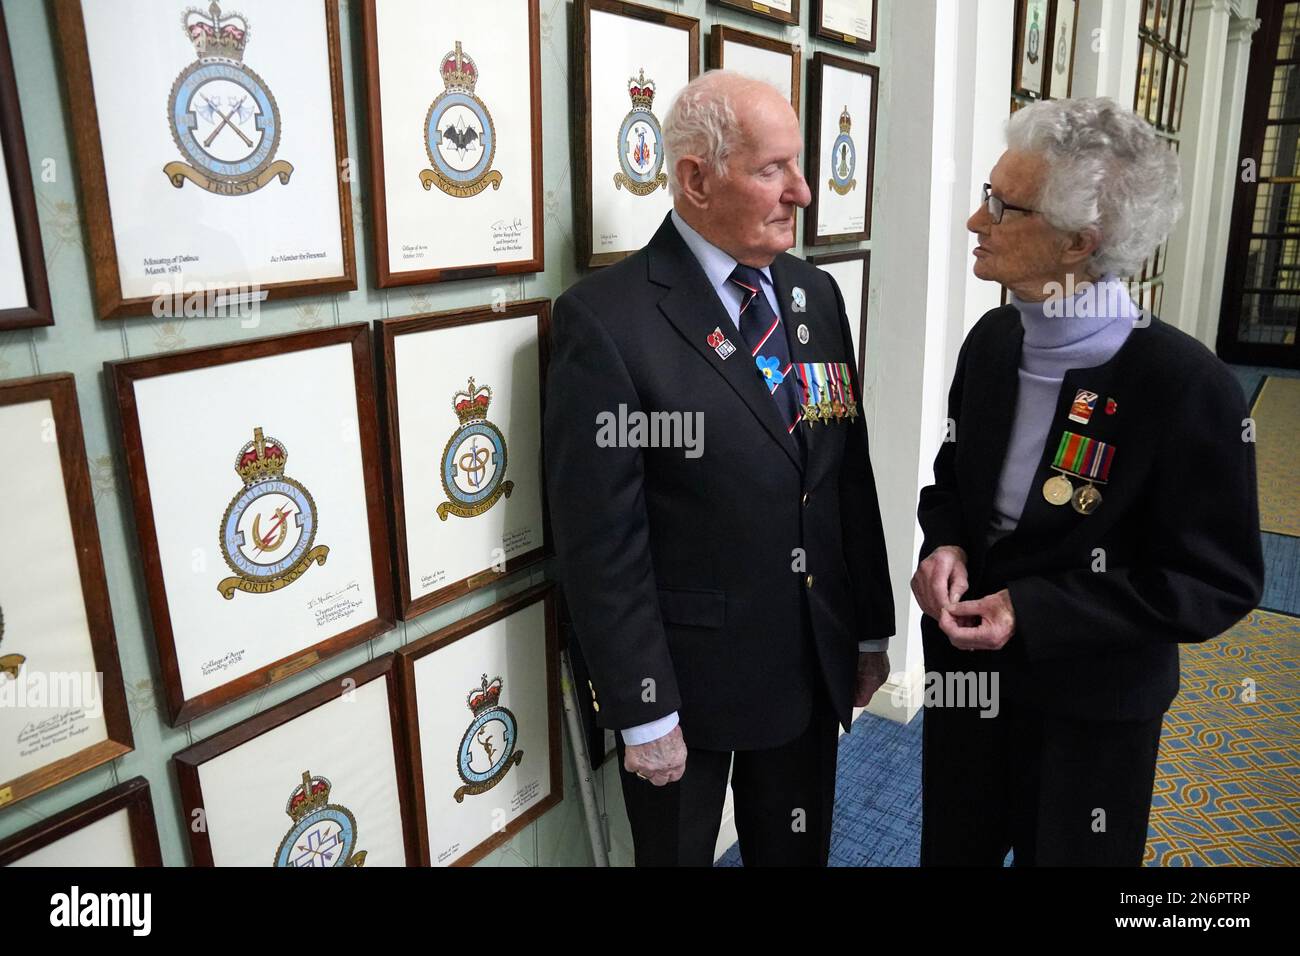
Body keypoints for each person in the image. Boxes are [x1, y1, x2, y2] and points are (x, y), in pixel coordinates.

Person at [544, 71, 895, 866]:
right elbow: (602, 539)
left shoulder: (814, 295)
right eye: (773, 169)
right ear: (695, 179)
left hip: (808, 660)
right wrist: (642, 710)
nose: (802, 192)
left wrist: (867, 627)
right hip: (685, 689)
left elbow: (844, 474)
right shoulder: (608, 321)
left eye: (798, 166)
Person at [911, 97, 1264, 866]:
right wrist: (946, 545)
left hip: (1093, 712)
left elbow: (1216, 580)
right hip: (970, 686)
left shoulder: (1184, 386)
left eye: (1003, 207)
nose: (978, 221)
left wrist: (1033, 612)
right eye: (985, 194)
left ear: (1079, 243)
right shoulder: (993, 341)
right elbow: (953, 482)